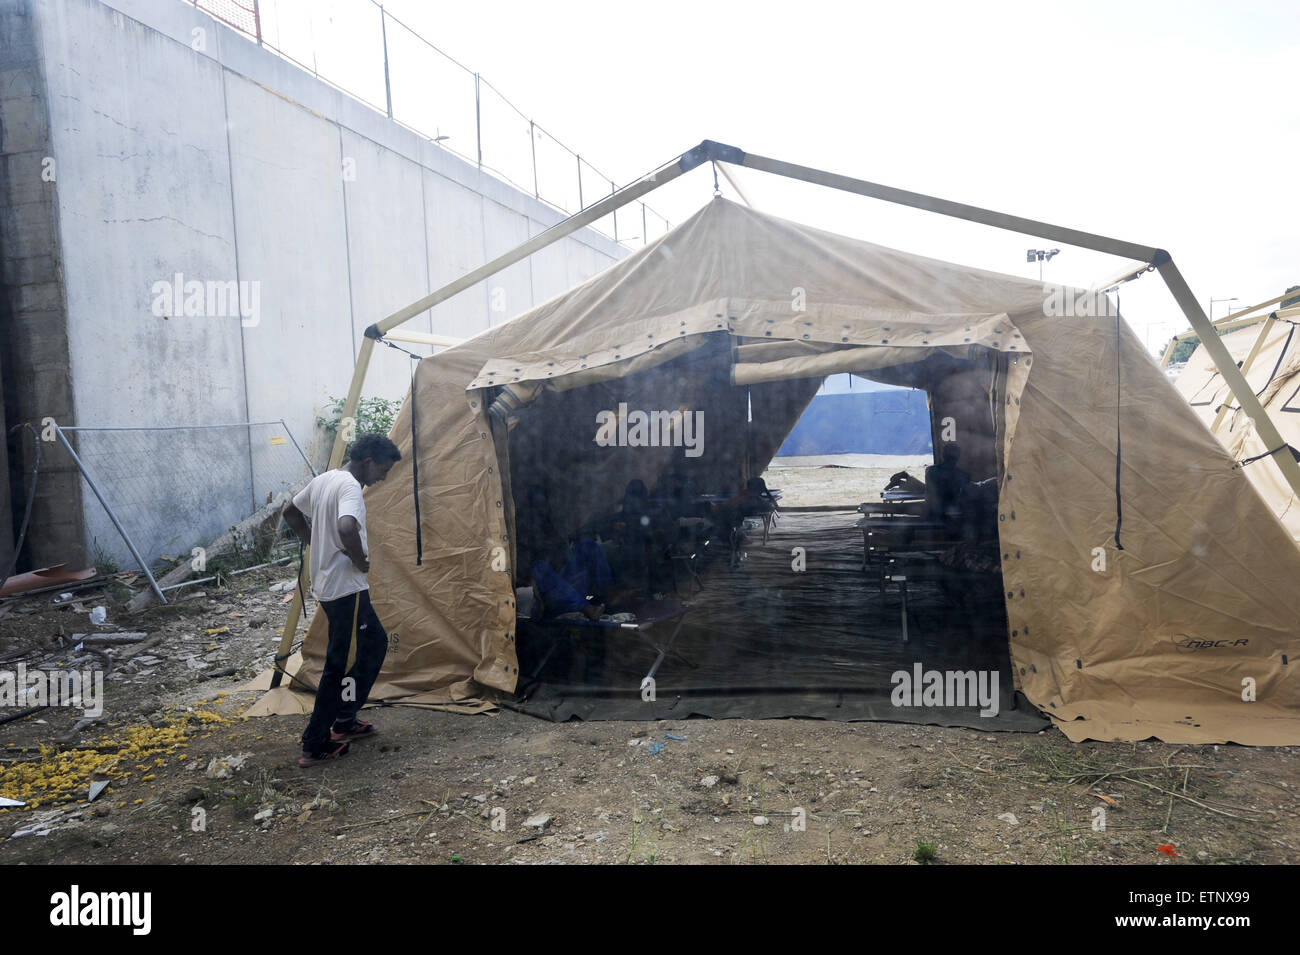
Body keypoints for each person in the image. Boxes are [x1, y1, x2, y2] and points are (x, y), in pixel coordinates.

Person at [281, 433, 402, 766]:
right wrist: (360, 559)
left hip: (333, 585)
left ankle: (346, 718)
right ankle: (316, 742)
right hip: (345, 588)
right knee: (338, 663)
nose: (383, 477)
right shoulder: (350, 487)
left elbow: (289, 512)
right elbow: (347, 528)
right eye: (384, 470)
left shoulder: (325, 480)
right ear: (368, 462)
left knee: (374, 643)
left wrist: (314, 542)